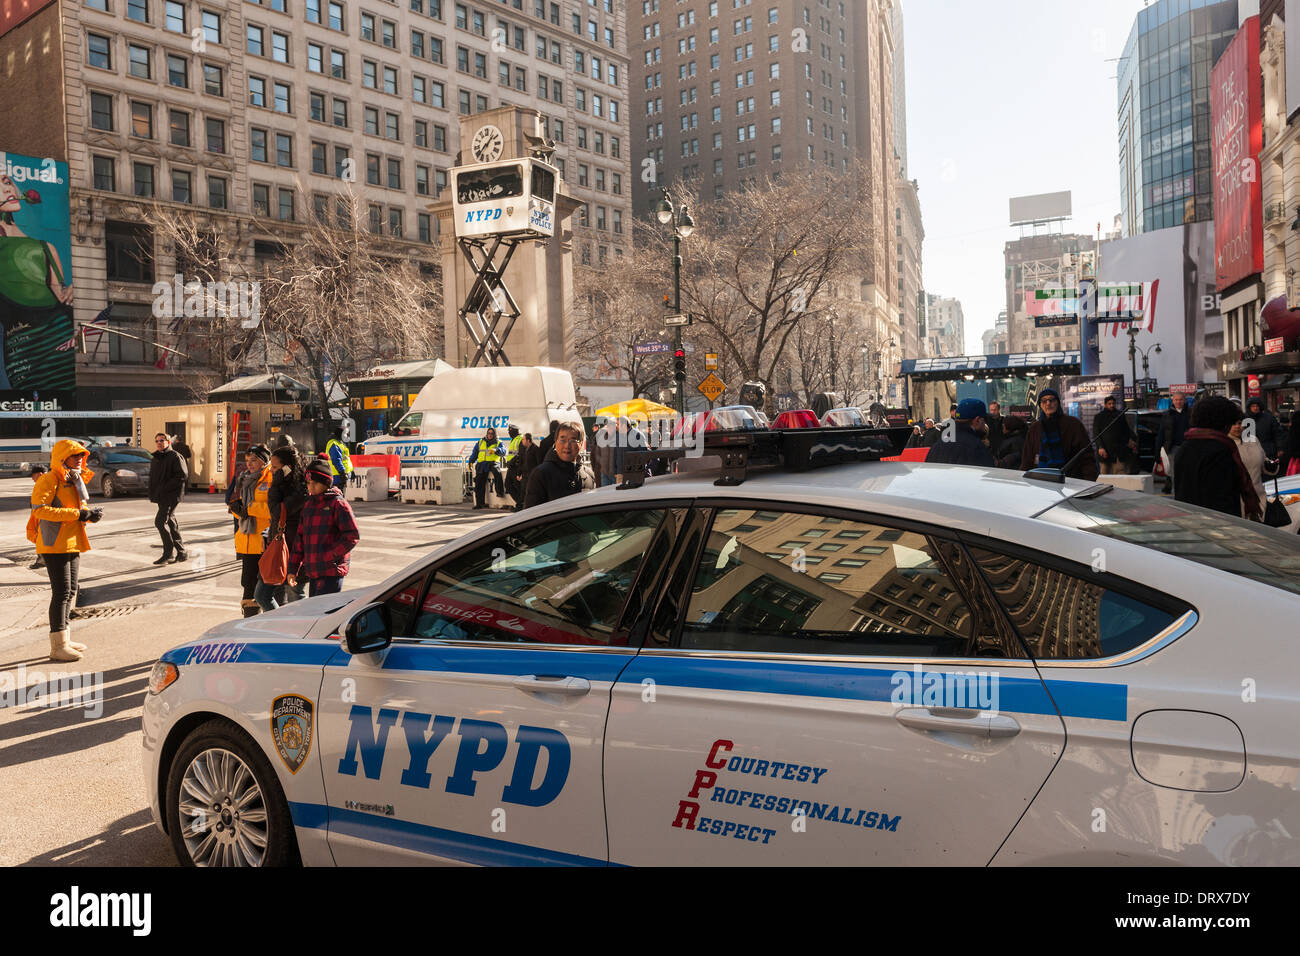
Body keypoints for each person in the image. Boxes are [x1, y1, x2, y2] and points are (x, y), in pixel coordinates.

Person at [31, 440, 102, 661]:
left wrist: (89, 515)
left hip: (71, 542)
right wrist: (78, 515)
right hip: (54, 545)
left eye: (82, 455)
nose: (80, 459)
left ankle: (65, 639)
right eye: (75, 455)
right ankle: (57, 647)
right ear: (62, 458)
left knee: (71, 591)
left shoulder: (73, 479)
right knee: (61, 593)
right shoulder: (48, 479)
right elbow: (40, 510)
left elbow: (76, 509)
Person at [1173, 396, 1261, 520]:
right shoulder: (1220, 450)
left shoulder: (1185, 447)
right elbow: (1222, 498)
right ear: (1222, 423)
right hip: (1216, 525)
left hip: (1189, 521)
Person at [289, 458, 360, 597]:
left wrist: (330, 555)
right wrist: (293, 568)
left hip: (331, 570)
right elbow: (300, 539)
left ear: (326, 483)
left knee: (324, 612)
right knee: (316, 612)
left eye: (315, 483)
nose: (310, 487)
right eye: (309, 483)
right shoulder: (308, 505)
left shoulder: (338, 504)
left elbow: (352, 536)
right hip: (313, 570)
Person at [255, 445, 309, 611]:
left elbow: (276, 511)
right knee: (262, 594)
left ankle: (299, 630)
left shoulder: (301, 488)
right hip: (278, 548)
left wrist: (275, 485)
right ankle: (279, 622)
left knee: (295, 595)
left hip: (294, 550)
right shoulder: (284, 485)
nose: (272, 471)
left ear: (288, 468)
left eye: (276, 467)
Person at [231, 445, 273, 617]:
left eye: (254, 460)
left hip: (265, 541)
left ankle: (273, 619)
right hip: (248, 539)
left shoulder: (271, 477)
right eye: (247, 460)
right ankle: (249, 618)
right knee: (247, 582)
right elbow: (244, 510)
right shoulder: (246, 478)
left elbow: (274, 509)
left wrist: (249, 508)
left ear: (264, 460)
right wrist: (237, 508)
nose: (249, 464)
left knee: (266, 585)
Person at [1021, 388, 1099, 480]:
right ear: (1040, 405)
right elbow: (1027, 458)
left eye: (1051, 400)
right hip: (1040, 480)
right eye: (1044, 401)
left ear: (1057, 402)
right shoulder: (1035, 428)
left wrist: (1089, 479)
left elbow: (1086, 455)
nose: (1048, 403)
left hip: (1071, 480)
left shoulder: (1073, 424)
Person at [148, 432, 188, 565]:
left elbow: (182, 475)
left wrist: (164, 488)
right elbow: (154, 478)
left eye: (162, 440)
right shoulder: (156, 458)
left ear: (168, 442)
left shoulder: (175, 456)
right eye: (157, 441)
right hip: (161, 496)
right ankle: (182, 552)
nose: (159, 443)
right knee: (170, 521)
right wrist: (154, 492)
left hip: (171, 495)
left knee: (159, 522)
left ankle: (168, 553)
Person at [523, 422, 583, 508]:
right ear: (555, 442)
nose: (567, 445)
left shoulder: (588, 475)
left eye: (573, 440)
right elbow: (531, 515)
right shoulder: (541, 474)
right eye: (562, 440)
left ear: (581, 444)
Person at [925, 398, 996, 467]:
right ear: (977, 420)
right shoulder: (977, 448)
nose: (985, 424)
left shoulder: (937, 445)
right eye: (984, 420)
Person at [1230, 417, 1267, 519]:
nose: (1237, 426)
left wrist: (1270, 466)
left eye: (1239, 423)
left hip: (1258, 497)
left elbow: (1263, 462)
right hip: (1237, 500)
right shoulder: (1225, 443)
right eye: (1233, 423)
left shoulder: (1254, 440)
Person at [1092, 395, 1137, 476]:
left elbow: (1126, 430)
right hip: (1105, 451)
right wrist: (1100, 447)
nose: (1112, 405)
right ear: (1105, 404)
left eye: (1113, 403)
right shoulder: (1099, 417)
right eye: (1109, 404)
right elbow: (1096, 433)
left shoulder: (1119, 415)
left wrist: (1129, 440)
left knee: (1120, 475)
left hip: (1118, 452)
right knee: (1105, 476)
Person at [467, 426, 505, 509]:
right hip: (482, 465)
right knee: (478, 484)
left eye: (492, 433)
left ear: (494, 434)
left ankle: (500, 492)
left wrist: (497, 450)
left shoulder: (498, 442)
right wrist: (470, 461)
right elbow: (475, 453)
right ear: (487, 434)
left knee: (497, 473)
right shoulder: (480, 442)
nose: (490, 435)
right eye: (489, 433)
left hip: (493, 463)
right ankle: (479, 504)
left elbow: (503, 452)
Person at [1156, 391, 1192, 465]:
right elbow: (1161, 433)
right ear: (1173, 401)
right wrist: (1157, 452)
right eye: (1176, 400)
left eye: (1181, 399)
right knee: (1174, 472)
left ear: (1184, 400)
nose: (1178, 402)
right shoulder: (1167, 414)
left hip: (1189, 448)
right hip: (1172, 448)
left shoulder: (1191, 413)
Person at [26, 464, 47, 569]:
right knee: (38, 536)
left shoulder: (44, 483)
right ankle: (42, 559)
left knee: (40, 537)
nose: (32, 478)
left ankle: (42, 560)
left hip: (42, 515)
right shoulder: (44, 482)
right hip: (39, 515)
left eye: (33, 475)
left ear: (39, 474)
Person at [515, 432, 539, 512]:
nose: (522, 441)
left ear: (528, 440)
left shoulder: (535, 449)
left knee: (529, 492)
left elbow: (539, 463)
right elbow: (522, 463)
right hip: (525, 474)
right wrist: (519, 473)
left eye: (523, 439)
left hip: (532, 475)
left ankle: (525, 508)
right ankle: (520, 507)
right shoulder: (525, 449)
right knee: (523, 491)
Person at [503, 424, 526, 506]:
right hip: (511, 467)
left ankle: (521, 505)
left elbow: (521, 453)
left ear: (515, 431)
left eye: (510, 431)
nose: (509, 433)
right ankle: (520, 503)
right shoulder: (514, 439)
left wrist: (512, 461)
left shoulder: (520, 439)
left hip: (516, 467)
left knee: (518, 486)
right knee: (508, 485)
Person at [325, 427, 353, 492]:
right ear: (341, 434)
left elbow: (346, 459)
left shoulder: (340, 443)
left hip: (340, 475)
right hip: (337, 476)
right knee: (337, 496)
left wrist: (351, 471)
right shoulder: (334, 444)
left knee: (340, 497)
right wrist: (342, 472)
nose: (347, 436)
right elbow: (336, 460)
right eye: (345, 434)